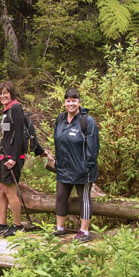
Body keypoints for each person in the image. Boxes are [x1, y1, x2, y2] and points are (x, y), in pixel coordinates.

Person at [53, 88, 100, 243]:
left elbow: (93, 147)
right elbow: (58, 142)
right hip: (64, 168)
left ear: (79, 102)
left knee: (84, 199)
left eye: (74, 100)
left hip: (83, 170)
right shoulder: (60, 119)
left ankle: (84, 231)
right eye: (68, 100)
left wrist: (87, 166)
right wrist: (58, 163)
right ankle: (60, 228)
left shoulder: (87, 121)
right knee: (61, 197)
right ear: (64, 102)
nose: (71, 103)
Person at [0, 81, 32, 238]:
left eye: (5, 93)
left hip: (12, 157)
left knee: (10, 191)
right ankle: (2, 225)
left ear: (11, 93)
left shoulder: (16, 108)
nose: (2, 96)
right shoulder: (7, 111)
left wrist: (14, 158)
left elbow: (19, 134)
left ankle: (17, 226)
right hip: (3, 155)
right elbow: (7, 135)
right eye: (0, 93)